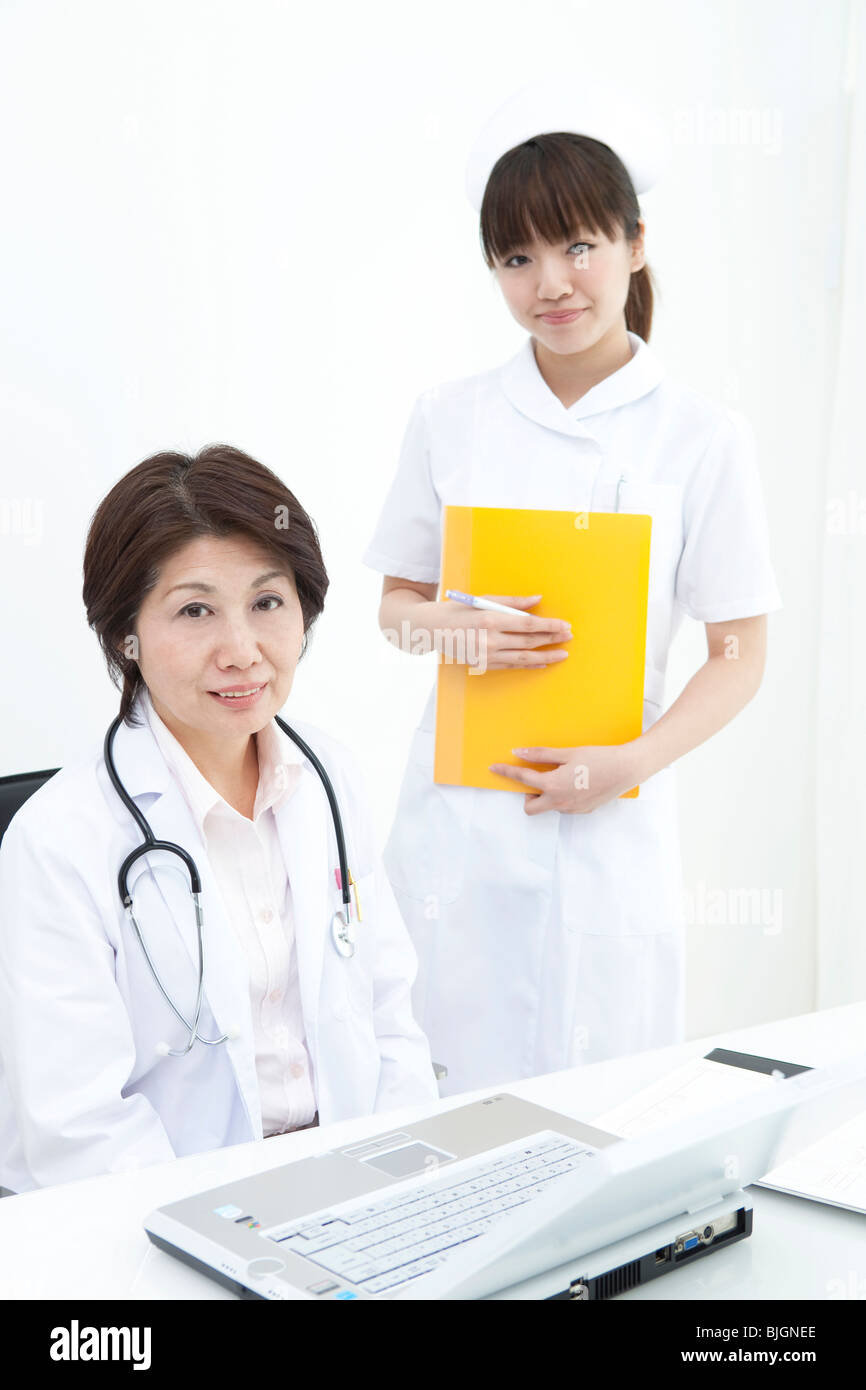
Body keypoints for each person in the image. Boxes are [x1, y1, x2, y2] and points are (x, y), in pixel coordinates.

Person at [362, 90, 782, 1096]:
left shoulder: (700, 436)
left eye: (576, 247)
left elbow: (740, 652)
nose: (548, 283)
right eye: (514, 259)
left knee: (605, 1106)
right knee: (440, 1102)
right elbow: (395, 606)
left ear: (634, 244)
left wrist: (625, 762)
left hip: (609, 820)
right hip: (456, 822)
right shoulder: (449, 417)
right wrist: (448, 628)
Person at [0, 445, 437, 1193]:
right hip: (151, 1217)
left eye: (268, 603)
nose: (242, 652)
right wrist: (224, 1231)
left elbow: (390, 1020)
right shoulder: (58, 841)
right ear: (123, 636)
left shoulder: (329, 781)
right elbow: (77, 1129)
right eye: (195, 610)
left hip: (348, 1189)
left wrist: (404, 1184)